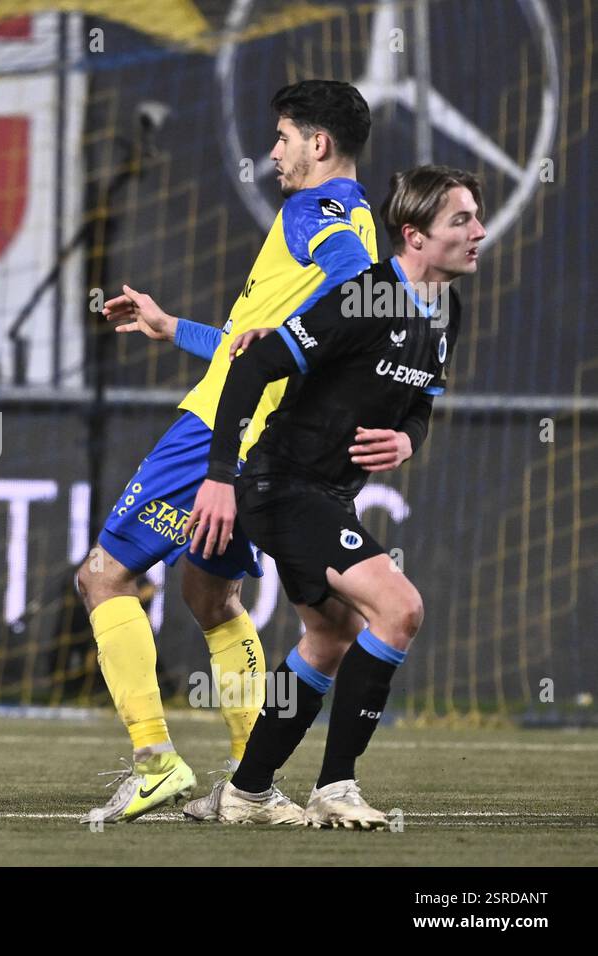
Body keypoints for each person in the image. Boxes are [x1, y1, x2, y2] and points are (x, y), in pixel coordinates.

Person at [81, 80, 376, 823]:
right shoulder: (359, 215)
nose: (272, 153)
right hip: (265, 438)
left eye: (282, 138)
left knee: (103, 577)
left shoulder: (316, 210)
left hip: (214, 431)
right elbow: (254, 349)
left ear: (319, 144)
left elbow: (356, 286)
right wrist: (169, 324)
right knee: (210, 597)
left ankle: (155, 762)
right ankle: (253, 785)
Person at [184, 165, 485, 827]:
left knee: (331, 634)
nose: (478, 232)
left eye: (476, 217)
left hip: (327, 494)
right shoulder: (365, 297)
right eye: (461, 219)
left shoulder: (447, 309)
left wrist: (408, 439)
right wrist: (219, 475)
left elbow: (422, 406)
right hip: (282, 485)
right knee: (400, 608)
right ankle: (335, 786)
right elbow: (253, 362)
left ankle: (248, 790)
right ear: (412, 234)